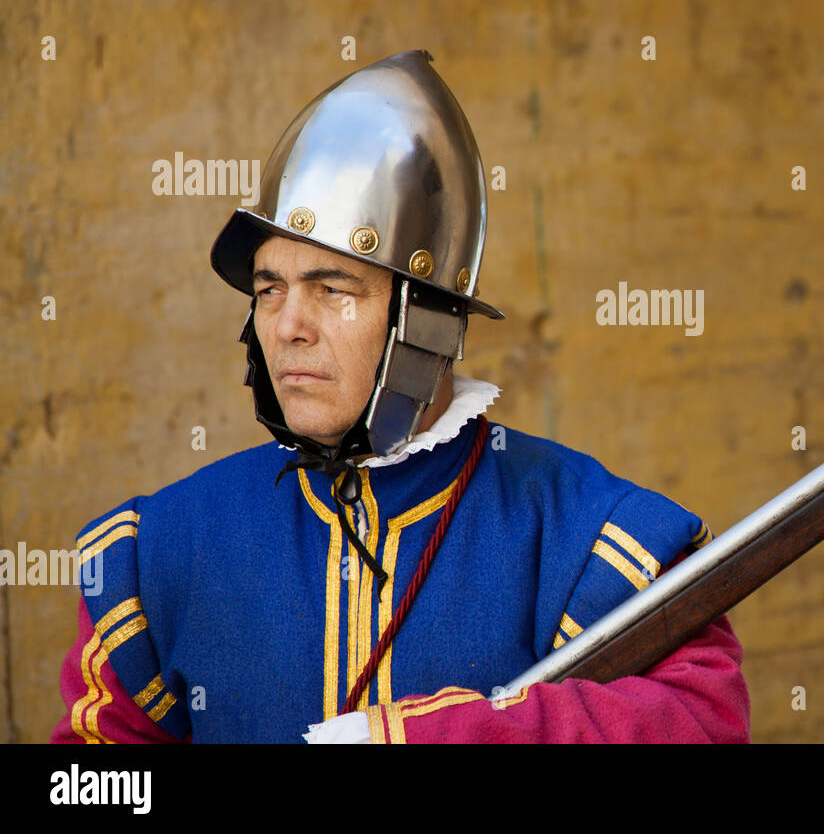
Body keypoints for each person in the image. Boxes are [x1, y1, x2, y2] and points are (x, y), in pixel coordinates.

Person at [50, 50, 749, 744]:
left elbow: (701, 723)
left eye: (332, 289)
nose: (288, 327)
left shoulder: (586, 539)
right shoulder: (167, 549)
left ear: (426, 321)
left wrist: (431, 739)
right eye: (270, 290)